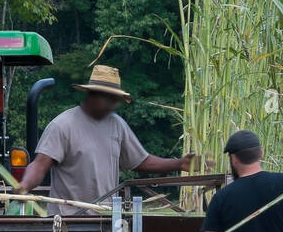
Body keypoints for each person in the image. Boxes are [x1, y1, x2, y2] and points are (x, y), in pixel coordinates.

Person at [16, 64, 195, 213]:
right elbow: (40, 165)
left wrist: (179, 164)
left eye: (115, 100)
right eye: (109, 99)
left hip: (105, 219)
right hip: (66, 221)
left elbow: (141, 161)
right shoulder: (63, 125)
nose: (113, 105)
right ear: (92, 95)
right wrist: (25, 185)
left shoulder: (117, 125)